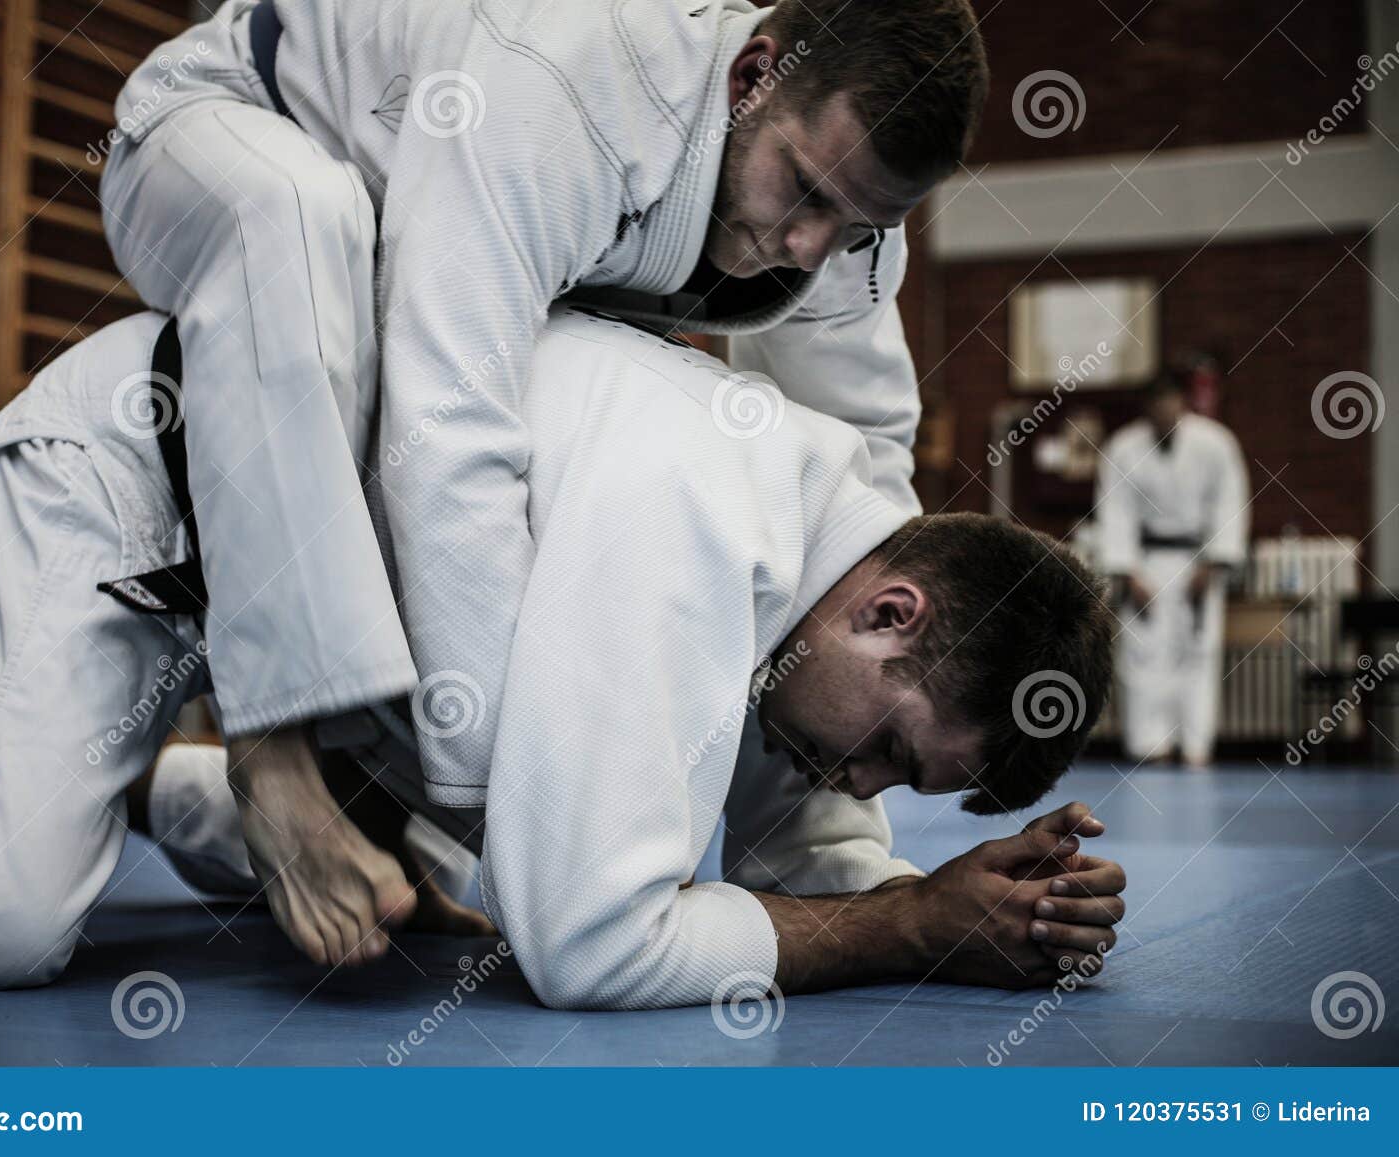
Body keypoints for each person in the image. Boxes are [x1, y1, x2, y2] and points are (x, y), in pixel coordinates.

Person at [0, 308, 1122, 1003]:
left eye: (898, 784)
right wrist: (902, 927)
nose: (862, 781)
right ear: (890, 612)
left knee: (470, 822)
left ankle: (156, 788)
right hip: (167, 484)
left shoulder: (827, 581)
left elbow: (808, 845)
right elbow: (592, 949)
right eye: (889, 752)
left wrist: (972, 905)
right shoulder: (699, 518)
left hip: (352, 636)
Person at [96, 0, 990, 962]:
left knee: (786, 557)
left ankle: (241, 798)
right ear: (752, 78)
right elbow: (451, 429)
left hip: (407, 256)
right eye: (805, 191)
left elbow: (863, 526)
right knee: (302, 216)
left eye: (857, 227)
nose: (813, 246)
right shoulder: (567, 87)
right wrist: (525, 813)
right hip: (217, 133)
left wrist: (843, 866)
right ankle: (271, 752)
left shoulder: (845, 210)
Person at [1095, 377, 1251, 767]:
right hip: (1145, 560)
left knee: (1198, 652)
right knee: (1142, 653)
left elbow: (1230, 502)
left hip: (1199, 560)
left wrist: (1214, 562)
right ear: (1146, 406)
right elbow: (1115, 511)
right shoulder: (1123, 446)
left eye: (1169, 400)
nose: (1163, 410)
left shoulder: (1215, 442)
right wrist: (1126, 570)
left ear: (1182, 401)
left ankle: (1196, 747)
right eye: (1156, 403)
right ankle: (1150, 746)